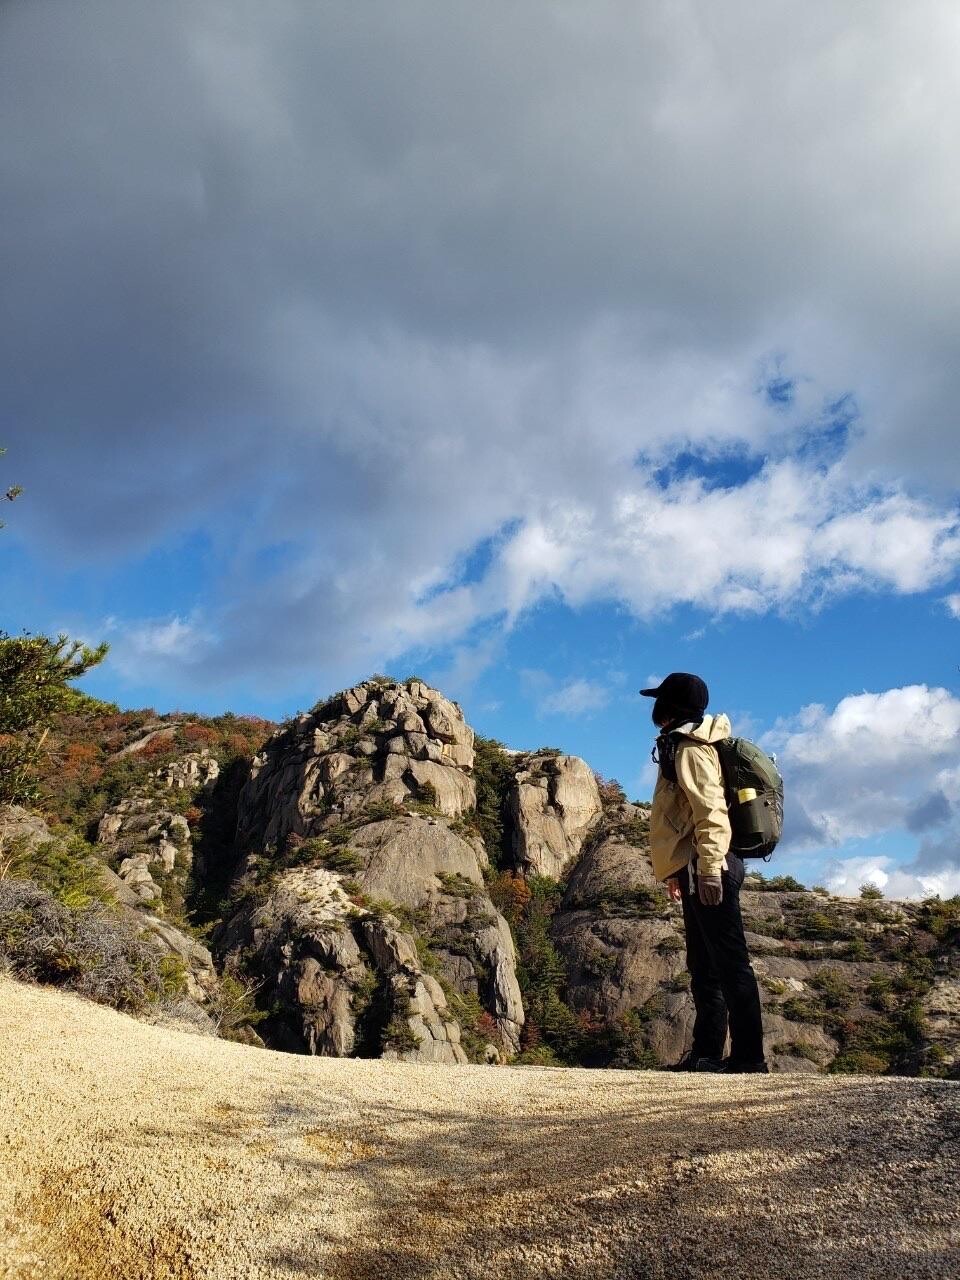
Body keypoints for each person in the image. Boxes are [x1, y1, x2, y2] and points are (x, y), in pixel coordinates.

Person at [641, 672, 768, 1073]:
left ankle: (749, 1058)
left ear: (671, 706)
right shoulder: (679, 744)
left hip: (710, 864)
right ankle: (706, 1054)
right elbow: (681, 818)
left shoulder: (690, 749)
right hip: (697, 866)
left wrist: (709, 868)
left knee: (730, 964)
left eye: (659, 699)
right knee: (704, 967)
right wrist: (680, 872)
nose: (653, 706)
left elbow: (710, 812)